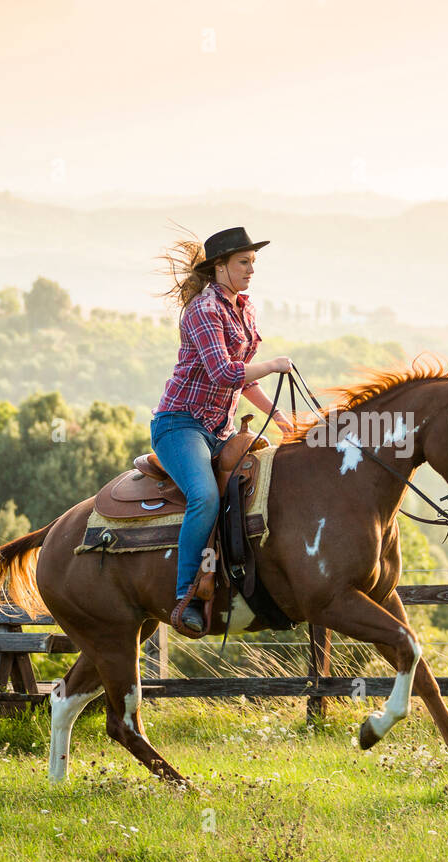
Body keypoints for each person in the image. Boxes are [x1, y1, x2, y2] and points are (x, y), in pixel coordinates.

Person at [151, 226, 293, 635]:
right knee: (204, 495)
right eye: (243, 262)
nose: (251, 270)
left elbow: (243, 382)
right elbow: (224, 372)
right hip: (181, 424)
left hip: (221, 428)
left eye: (253, 262)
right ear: (219, 267)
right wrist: (272, 364)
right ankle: (186, 596)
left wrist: (278, 415)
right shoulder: (203, 310)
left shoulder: (242, 309)